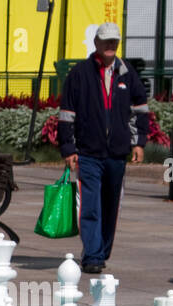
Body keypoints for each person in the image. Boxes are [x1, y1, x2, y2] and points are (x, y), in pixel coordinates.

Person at [58, 21, 148, 274]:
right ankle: (93, 256)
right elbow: (66, 114)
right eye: (106, 41)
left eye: (114, 42)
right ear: (96, 43)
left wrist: (139, 142)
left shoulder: (127, 73)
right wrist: (68, 148)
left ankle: (102, 250)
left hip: (117, 154)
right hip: (88, 153)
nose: (110, 46)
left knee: (110, 207)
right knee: (91, 206)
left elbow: (140, 109)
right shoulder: (79, 74)